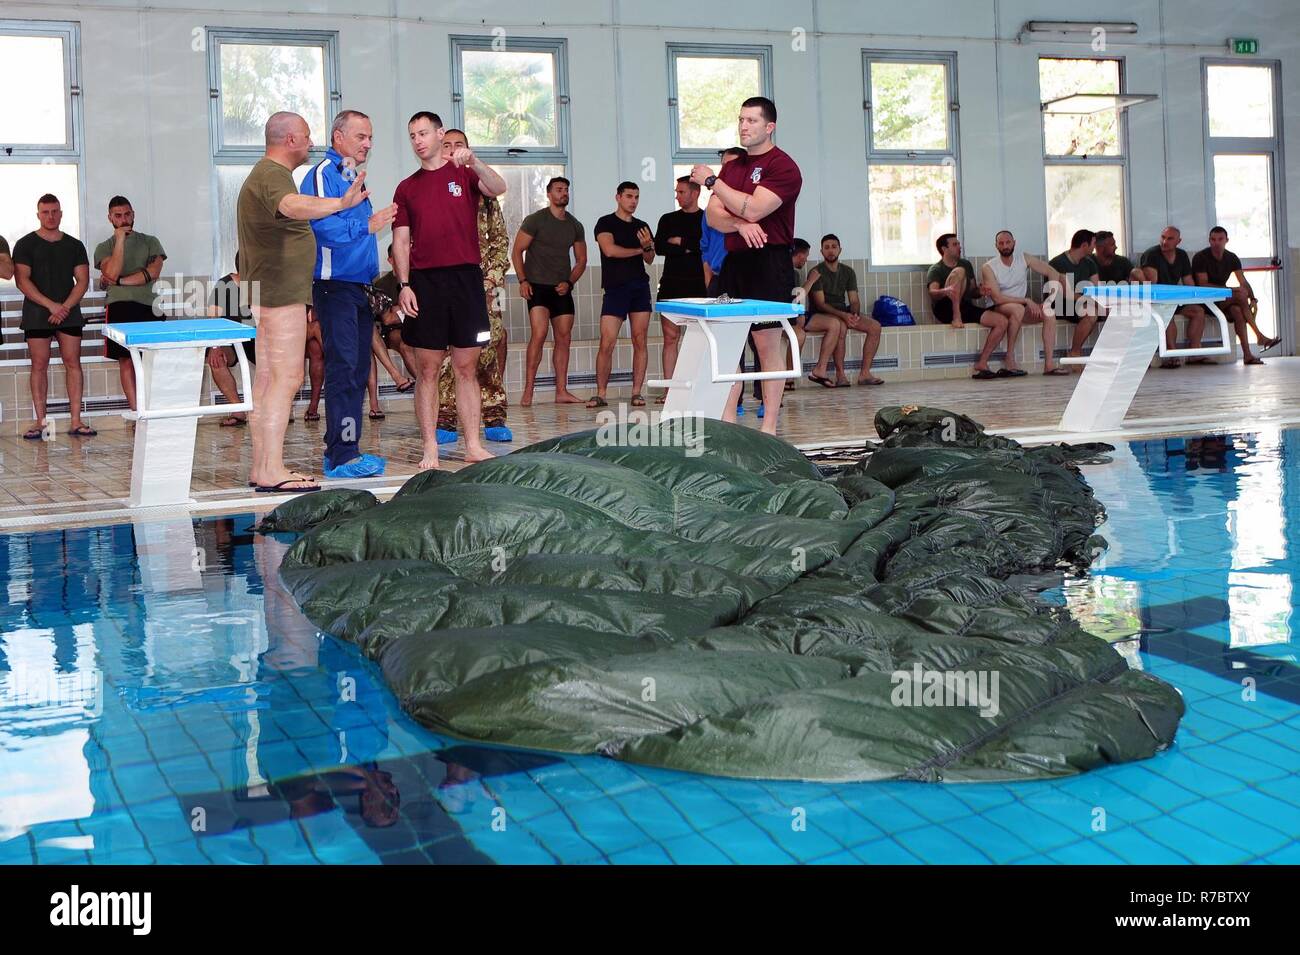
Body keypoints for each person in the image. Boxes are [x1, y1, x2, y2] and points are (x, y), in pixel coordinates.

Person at [237, 110, 369, 492]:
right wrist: (339, 204)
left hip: (271, 291)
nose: (312, 143)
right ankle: (272, 469)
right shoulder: (273, 176)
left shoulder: (265, 175)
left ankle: (263, 466)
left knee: (266, 381)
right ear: (290, 140)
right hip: (279, 293)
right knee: (286, 377)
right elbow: (291, 206)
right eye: (307, 137)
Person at [392, 110, 507, 471]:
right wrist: (405, 285)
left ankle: (473, 444)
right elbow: (400, 241)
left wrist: (474, 161)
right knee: (427, 370)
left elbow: (498, 187)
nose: (418, 140)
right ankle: (430, 448)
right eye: (412, 135)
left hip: (466, 280)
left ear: (440, 134)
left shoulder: (464, 172)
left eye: (423, 132)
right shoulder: (407, 187)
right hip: (426, 283)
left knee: (466, 367)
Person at [690, 96, 802, 436]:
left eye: (752, 120)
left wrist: (713, 183)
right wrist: (739, 224)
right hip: (735, 261)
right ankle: (729, 424)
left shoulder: (783, 167)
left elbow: (755, 209)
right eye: (740, 119)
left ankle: (768, 425)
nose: (743, 126)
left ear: (769, 127)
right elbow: (713, 215)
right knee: (727, 344)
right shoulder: (734, 167)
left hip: (770, 260)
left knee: (766, 342)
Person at [300, 108, 397, 479]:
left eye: (371, 137)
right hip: (334, 285)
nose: (368, 144)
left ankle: (345, 449)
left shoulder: (349, 175)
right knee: (343, 367)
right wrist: (368, 225)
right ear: (338, 137)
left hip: (357, 286)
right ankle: (341, 456)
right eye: (361, 136)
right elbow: (324, 229)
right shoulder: (325, 175)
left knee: (357, 368)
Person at [434, 128, 511, 444]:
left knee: (487, 351)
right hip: (445, 286)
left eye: (459, 146)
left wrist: (491, 282)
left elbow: (500, 241)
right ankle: (447, 420)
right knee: (447, 356)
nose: (453, 150)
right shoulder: (431, 189)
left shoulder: (484, 192)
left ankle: (494, 416)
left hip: (482, 288)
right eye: (447, 146)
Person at [13, 194, 92, 439]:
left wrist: (64, 307)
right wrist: (51, 306)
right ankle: (41, 422)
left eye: (55, 211)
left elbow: (83, 280)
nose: (51, 216)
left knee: (73, 363)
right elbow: (21, 281)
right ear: (38, 214)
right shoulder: (25, 244)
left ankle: (76, 421)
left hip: (69, 313)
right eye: (46, 212)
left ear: (61, 213)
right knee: (39, 364)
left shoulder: (74, 245)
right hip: (37, 313)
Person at [513, 176, 587, 407]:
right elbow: (517, 251)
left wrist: (570, 282)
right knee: (539, 333)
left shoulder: (575, 225)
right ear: (549, 194)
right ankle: (528, 392)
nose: (563, 193)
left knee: (564, 338)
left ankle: (561, 391)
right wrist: (523, 280)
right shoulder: (535, 220)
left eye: (566, 189)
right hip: (537, 286)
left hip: (561, 288)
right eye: (558, 190)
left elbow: (582, 260)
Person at [92, 196, 167, 411]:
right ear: (110, 218)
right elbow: (110, 270)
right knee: (126, 360)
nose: (124, 220)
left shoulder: (150, 241)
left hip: (149, 305)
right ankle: (137, 412)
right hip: (119, 305)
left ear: (133, 214)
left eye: (127, 214)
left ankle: (152, 409)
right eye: (118, 216)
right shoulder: (104, 247)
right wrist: (120, 240)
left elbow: (153, 272)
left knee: (150, 360)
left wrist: (119, 281)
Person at [588, 181, 655, 409]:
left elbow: (650, 259)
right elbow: (610, 250)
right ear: (618, 197)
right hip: (615, 288)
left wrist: (647, 247)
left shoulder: (642, 226)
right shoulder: (605, 223)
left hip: (639, 287)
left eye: (636, 197)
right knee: (607, 341)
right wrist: (641, 248)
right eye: (629, 196)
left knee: (640, 339)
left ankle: (636, 392)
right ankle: (601, 393)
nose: (633, 201)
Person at [980, 229, 1068, 376]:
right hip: (998, 308)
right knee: (1018, 309)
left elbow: (1052, 272)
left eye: (1008, 242)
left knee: (1049, 312)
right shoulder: (988, 267)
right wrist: (1027, 300)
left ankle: (1049, 365)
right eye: (1001, 243)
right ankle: (1009, 357)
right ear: (996, 246)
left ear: (1014, 243)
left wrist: (1049, 300)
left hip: (1019, 307)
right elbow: (998, 298)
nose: (1005, 246)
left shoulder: (1024, 258)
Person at [653, 176, 708, 402]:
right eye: (677, 192)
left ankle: (697, 388)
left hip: (698, 287)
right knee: (670, 338)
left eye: (681, 192)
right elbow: (659, 247)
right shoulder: (668, 219)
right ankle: (670, 390)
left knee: (699, 339)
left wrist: (681, 242)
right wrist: (686, 247)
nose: (677, 196)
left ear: (695, 193)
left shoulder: (707, 218)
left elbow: (704, 246)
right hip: (672, 285)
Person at [927, 233, 1008, 380]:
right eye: (955, 244)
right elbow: (933, 292)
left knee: (1002, 322)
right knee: (959, 271)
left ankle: (982, 363)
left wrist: (980, 292)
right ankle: (956, 315)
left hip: (964, 306)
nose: (959, 246)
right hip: (944, 308)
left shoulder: (966, 264)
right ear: (944, 249)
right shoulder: (936, 269)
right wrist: (946, 291)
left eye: (959, 244)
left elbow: (971, 292)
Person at [806, 234, 876, 387]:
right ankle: (841, 375)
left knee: (875, 327)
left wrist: (854, 315)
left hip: (843, 313)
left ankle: (865, 374)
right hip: (823, 314)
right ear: (821, 251)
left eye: (834, 247)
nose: (830, 251)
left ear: (840, 249)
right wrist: (844, 316)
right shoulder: (816, 272)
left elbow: (854, 300)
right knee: (840, 325)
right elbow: (821, 304)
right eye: (826, 248)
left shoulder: (848, 272)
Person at [1193, 226, 1266, 366]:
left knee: (1238, 311)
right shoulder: (1200, 257)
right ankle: (1258, 335)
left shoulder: (1231, 257)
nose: (1217, 243)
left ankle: (1248, 355)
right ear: (1209, 241)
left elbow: (1243, 281)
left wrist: (1253, 298)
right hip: (1205, 300)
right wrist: (1231, 291)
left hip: (1223, 300)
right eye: (1213, 240)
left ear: (1226, 240)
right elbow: (1203, 286)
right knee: (1239, 295)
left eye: (1220, 239)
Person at [1140, 226, 1209, 369]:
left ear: (1178, 241)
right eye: (1163, 237)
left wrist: (1195, 298)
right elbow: (1152, 283)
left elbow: (1189, 282)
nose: (1165, 241)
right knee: (1167, 314)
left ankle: (1194, 352)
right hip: (1156, 300)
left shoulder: (1182, 255)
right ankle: (1170, 355)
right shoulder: (1151, 254)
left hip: (1175, 298)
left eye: (1170, 238)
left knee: (1198, 311)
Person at [205, 253, 256, 426]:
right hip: (231, 340)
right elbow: (213, 318)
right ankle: (237, 410)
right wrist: (215, 347)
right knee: (216, 360)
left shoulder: (265, 285)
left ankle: (274, 409)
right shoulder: (224, 285)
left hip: (258, 338)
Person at [1048, 229, 1104, 368]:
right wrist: (1091, 301)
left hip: (1081, 303)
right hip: (1061, 304)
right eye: (1093, 244)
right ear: (1084, 245)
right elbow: (1066, 294)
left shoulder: (1090, 263)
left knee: (1107, 312)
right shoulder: (1058, 263)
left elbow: (1096, 289)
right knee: (1091, 313)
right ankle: (1074, 352)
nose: (1095, 247)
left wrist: (1103, 304)